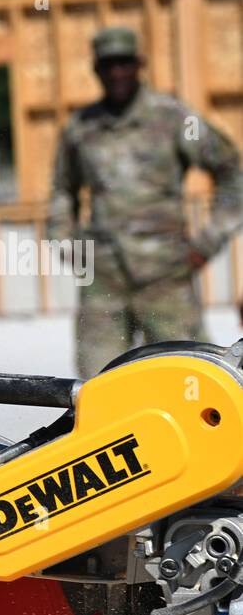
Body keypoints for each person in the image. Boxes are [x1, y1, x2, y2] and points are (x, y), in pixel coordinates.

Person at [47, 26, 243, 378]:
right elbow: (62, 190)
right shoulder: (81, 128)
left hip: (166, 276)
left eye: (124, 63)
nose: (116, 72)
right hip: (104, 281)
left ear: (139, 64)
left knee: (187, 379)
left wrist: (207, 241)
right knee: (97, 385)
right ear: (96, 69)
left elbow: (232, 172)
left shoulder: (172, 118)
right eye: (108, 64)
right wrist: (68, 245)